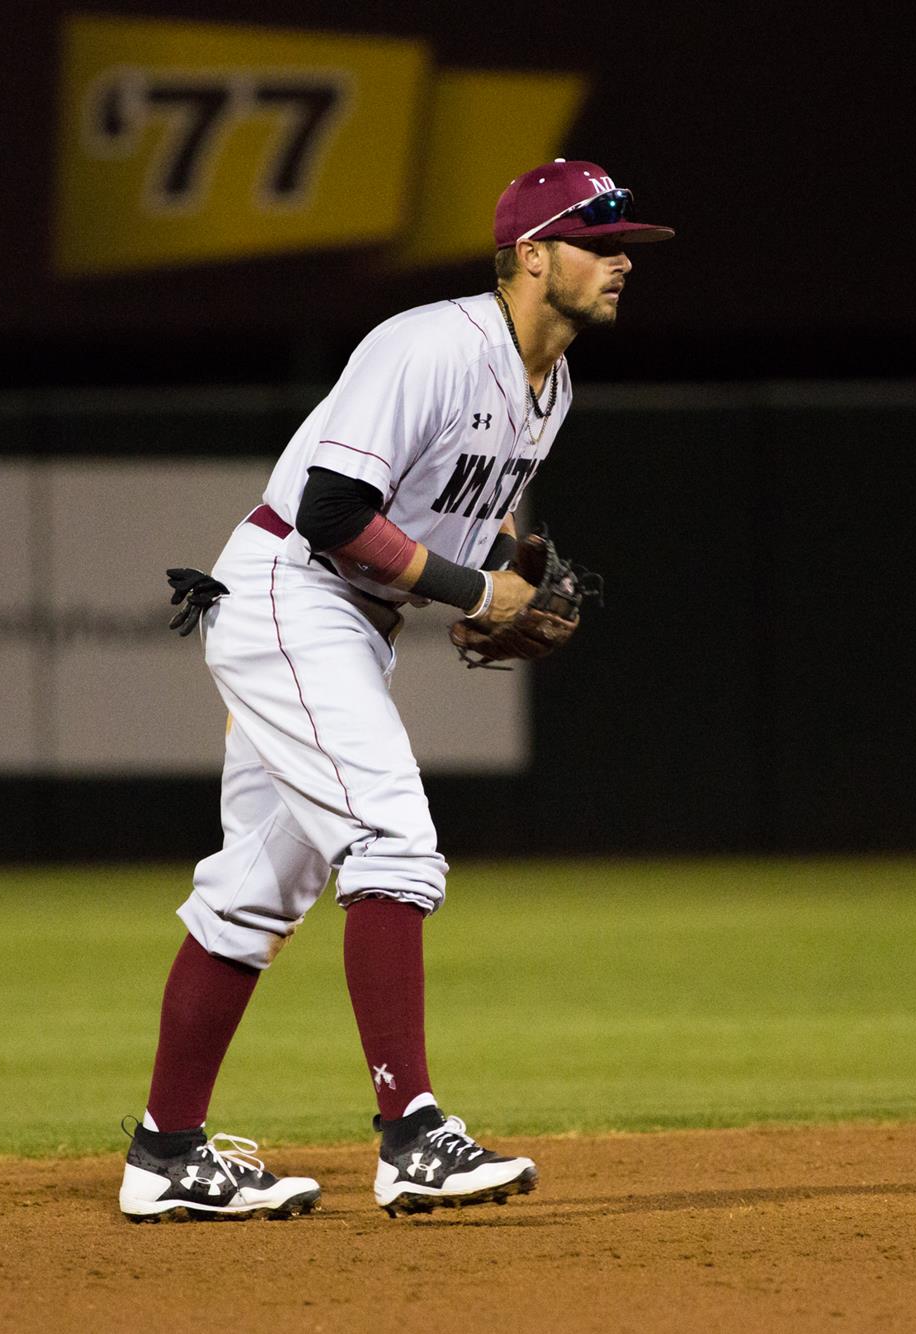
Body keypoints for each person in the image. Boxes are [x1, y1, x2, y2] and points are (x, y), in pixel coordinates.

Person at [118, 159, 674, 1222]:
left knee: (255, 892)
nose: (618, 263)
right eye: (598, 244)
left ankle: (164, 1151)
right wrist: (478, 589)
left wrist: (509, 566)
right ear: (528, 255)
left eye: (625, 248)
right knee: (393, 842)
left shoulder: (550, 387)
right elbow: (332, 508)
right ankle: (410, 1132)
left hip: (348, 622)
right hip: (290, 588)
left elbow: (478, 516)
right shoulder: (426, 344)